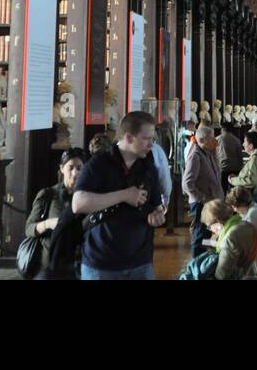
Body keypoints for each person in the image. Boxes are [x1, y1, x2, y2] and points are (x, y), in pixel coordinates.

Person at [71, 111, 168, 280]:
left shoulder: (148, 165)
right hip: (102, 264)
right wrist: (124, 195)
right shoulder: (99, 164)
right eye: (147, 139)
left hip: (141, 262)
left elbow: (156, 205)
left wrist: (157, 215)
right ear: (129, 138)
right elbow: (78, 203)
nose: (151, 144)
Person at [24, 147, 87, 279]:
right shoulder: (48, 194)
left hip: (78, 266)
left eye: (79, 168)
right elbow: (29, 229)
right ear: (62, 168)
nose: (75, 173)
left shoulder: (88, 198)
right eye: (70, 167)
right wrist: (47, 224)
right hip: (48, 266)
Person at [183, 124, 225, 259]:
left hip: (213, 204)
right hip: (203, 205)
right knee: (200, 235)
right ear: (202, 140)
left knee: (211, 236)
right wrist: (203, 198)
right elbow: (187, 184)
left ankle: (206, 262)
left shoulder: (209, 153)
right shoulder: (195, 156)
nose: (215, 141)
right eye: (212, 138)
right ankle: (196, 266)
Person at [200, 198, 257, 279]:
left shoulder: (230, 236)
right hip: (253, 273)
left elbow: (222, 274)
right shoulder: (245, 224)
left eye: (209, 226)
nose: (211, 230)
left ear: (218, 220)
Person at [229, 131, 257, 208]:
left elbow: (252, 181)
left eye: (244, 142)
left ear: (251, 146)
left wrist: (233, 180)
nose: (243, 144)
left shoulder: (255, 158)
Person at [217, 122, 244, 191]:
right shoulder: (236, 140)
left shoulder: (217, 139)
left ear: (223, 129)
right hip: (235, 168)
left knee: (223, 189)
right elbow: (240, 155)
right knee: (234, 190)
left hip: (223, 168)